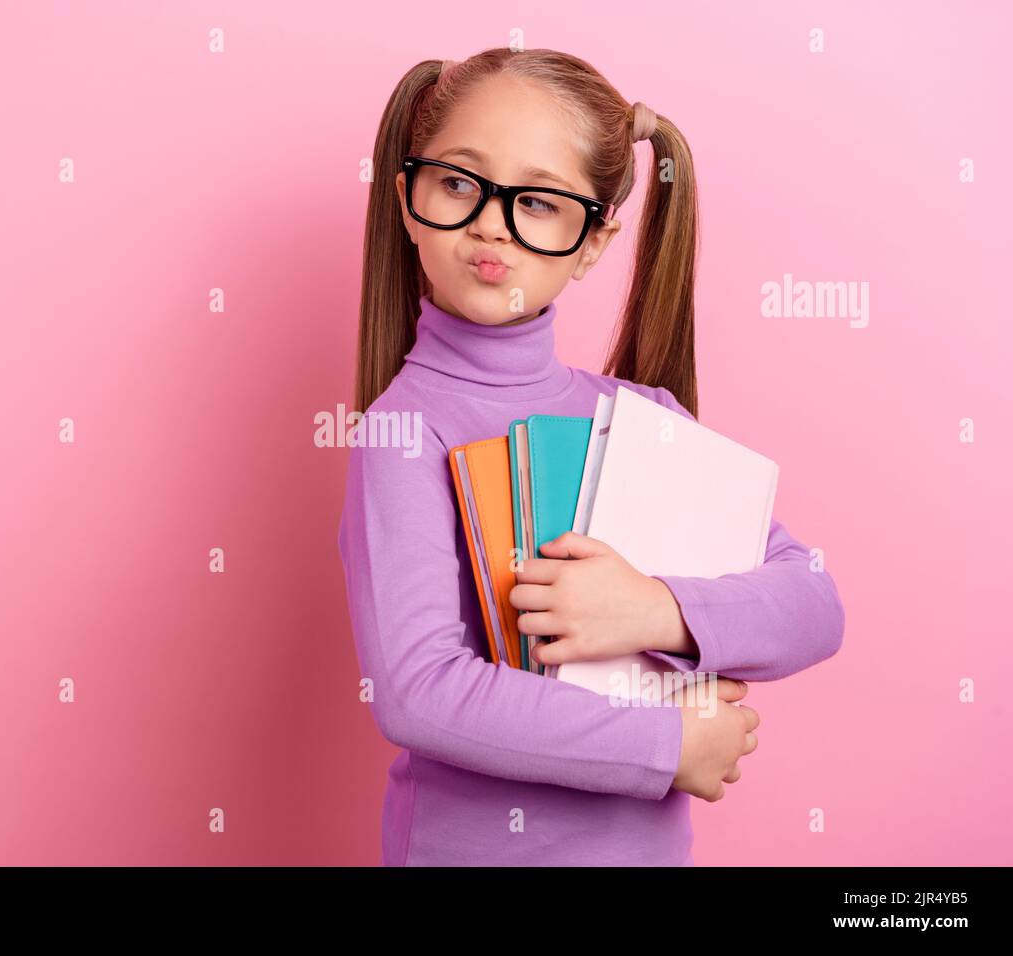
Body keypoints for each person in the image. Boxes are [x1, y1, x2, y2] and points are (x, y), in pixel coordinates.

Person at [337, 48, 845, 866]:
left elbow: (814, 603)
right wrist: (665, 747)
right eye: (459, 183)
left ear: (594, 242)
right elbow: (418, 693)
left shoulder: (645, 421)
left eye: (537, 202)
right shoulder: (403, 430)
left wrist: (652, 612)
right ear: (406, 197)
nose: (491, 222)